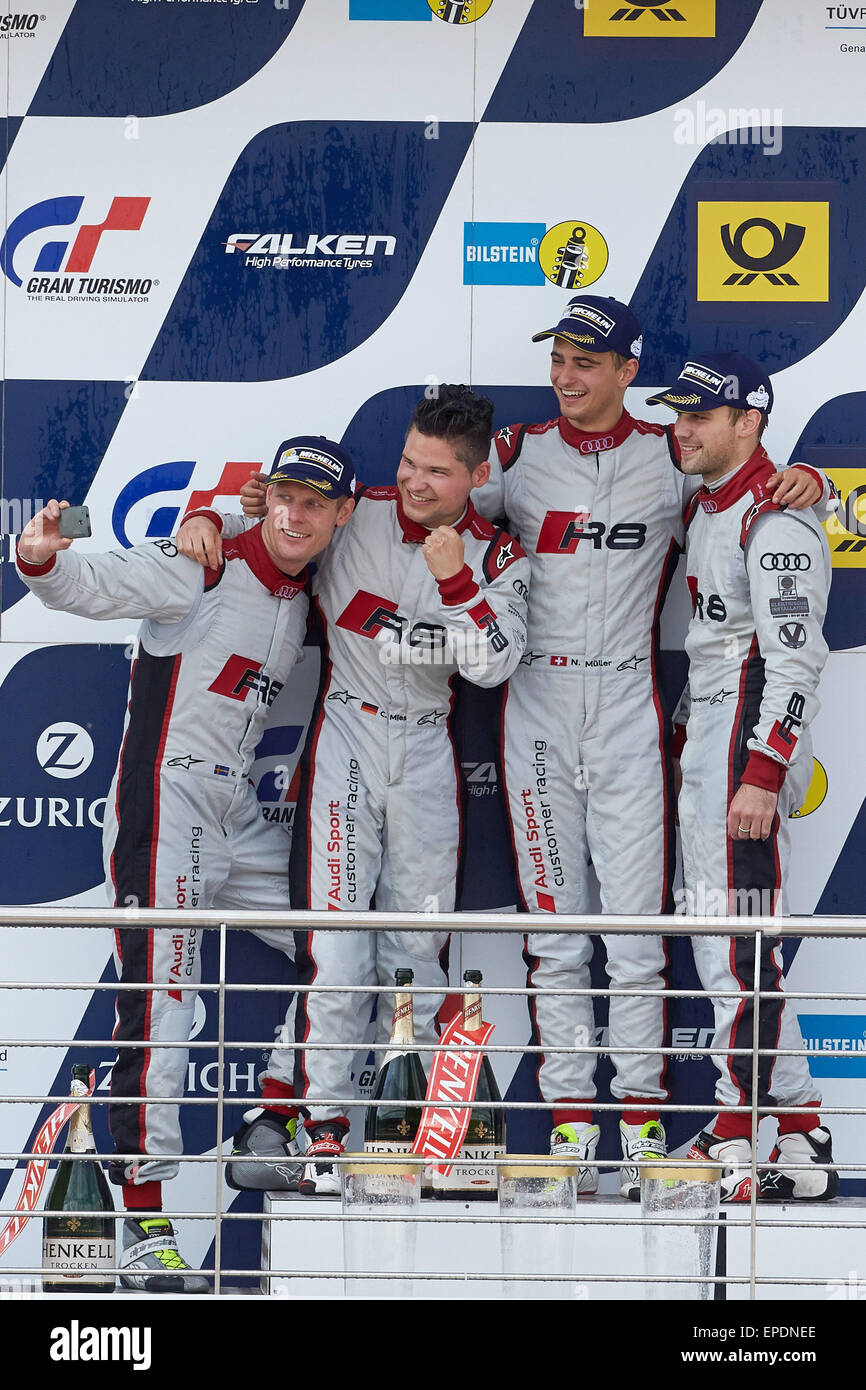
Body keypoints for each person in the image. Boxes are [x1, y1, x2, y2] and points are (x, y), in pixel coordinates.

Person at [471, 294, 831, 1197]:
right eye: (558, 357)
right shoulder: (516, 454)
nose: (566, 374)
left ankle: (644, 1126)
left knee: (659, 935)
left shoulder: (673, 464)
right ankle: (573, 1129)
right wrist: (248, 514)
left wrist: (810, 481)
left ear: (628, 370)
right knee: (559, 935)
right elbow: (423, 496)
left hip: (639, 698)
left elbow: (764, 522)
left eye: (587, 360)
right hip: (542, 699)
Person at [15, 437, 356, 1288]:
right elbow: (91, 584)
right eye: (282, 495)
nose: (294, 514)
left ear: (341, 515)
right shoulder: (198, 565)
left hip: (237, 811)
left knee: (345, 939)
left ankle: (274, 1114)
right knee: (164, 1007)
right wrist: (43, 562)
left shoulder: (311, 584)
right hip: (162, 805)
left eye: (315, 503)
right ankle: (140, 1219)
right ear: (262, 494)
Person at [178, 386, 530, 1195]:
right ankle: (321, 1131)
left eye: (436, 472)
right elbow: (274, 525)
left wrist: (455, 585)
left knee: (414, 953)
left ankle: (412, 1136)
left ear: (475, 477)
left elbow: (494, 662)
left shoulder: (495, 552)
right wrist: (206, 514)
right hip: (346, 735)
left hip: (429, 746)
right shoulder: (354, 513)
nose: (413, 481)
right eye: (408, 461)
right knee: (336, 948)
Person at [647, 353, 838, 1201]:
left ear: (749, 421)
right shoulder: (714, 502)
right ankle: (800, 1133)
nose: (681, 427)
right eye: (678, 413)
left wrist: (762, 773)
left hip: (744, 745)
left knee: (737, 948)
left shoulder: (777, 520)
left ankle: (732, 1137)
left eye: (700, 415)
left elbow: (797, 664)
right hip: (712, 734)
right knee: (722, 941)